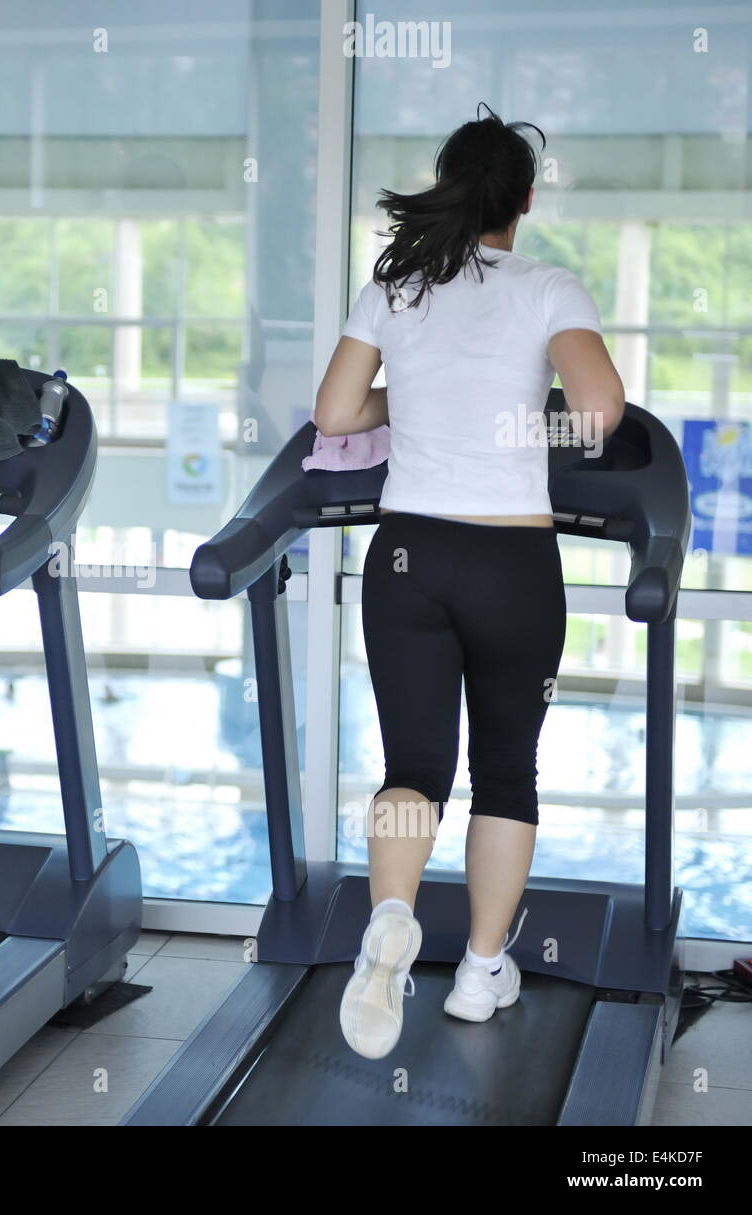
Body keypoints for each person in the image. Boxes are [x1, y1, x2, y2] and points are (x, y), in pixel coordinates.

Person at [312, 105, 625, 1059]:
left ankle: (391, 923)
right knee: (505, 769)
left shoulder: (398, 286)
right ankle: (482, 974)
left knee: (412, 767)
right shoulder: (545, 287)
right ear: (523, 200)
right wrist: (531, 426)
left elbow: (333, 414)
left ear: (448, 186)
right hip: (509, 561)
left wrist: (420, 397)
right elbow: (601, 410)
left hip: (406, 556)